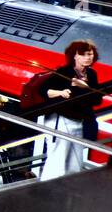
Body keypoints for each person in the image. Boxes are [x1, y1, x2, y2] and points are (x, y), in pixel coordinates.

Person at [39, 39, 101, 181]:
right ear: (75, 56)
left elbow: (97, 100)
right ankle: (48, 194)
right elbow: (43, 90)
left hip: (79, 122)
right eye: (84, 54)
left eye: (90, 54)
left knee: (75, 164)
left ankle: (67, 196)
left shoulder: (91, 75)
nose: (88, 57)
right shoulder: (64, 72)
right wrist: (60, 92)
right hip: (60, 121)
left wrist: (85, 88)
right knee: (57, 162)